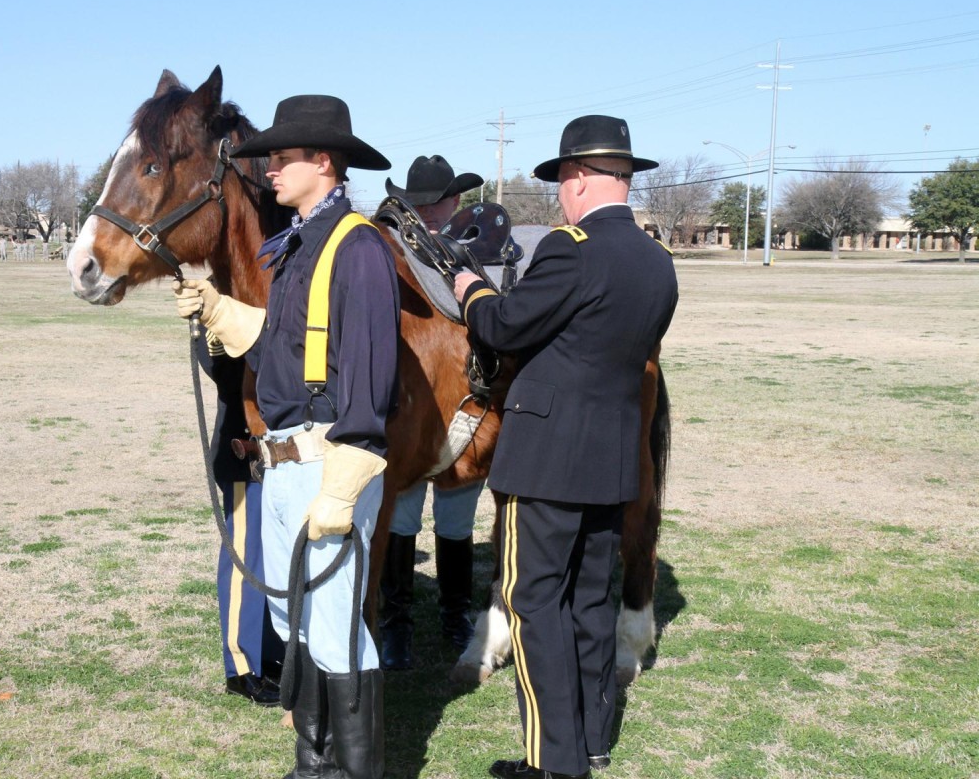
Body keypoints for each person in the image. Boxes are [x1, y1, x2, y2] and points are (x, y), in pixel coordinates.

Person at [176, 94, 397, 779]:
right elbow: (287, 344)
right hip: (284, 465)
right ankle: (315, 765)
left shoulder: (356, 246)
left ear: (322, 161)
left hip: (325, 463)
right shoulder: (301, 243)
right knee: (293, 624)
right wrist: (221, 311)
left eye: (281, 157)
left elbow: (367, 372)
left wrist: (345, 481)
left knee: (334, 629)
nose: (268, 169)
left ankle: (352, 772)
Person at [453, 115, 678, 779]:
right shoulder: (656, 261)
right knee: (587, 602)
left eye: (562, 180)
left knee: (533, 603)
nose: (560, 194)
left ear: (579, 179)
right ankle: (589, 742)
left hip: (548, 458)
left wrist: (472, 292)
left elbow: (504, 327)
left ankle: (554, 763)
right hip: (610, 457)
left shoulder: (570, 247)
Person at [380, 155, 486, 670]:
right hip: (411, 408)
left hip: (468, 409)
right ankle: (396, 619)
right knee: (402, 513)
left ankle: (453, 612)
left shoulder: (478, 254)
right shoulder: (389, 256)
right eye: (423, 202)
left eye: (437, 201)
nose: (432, 210)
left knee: (455, 517)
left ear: (455, 202)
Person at [195, 329, 285, 706]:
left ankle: (270, 654)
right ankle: (242, 666)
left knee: (275, 560)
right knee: (246, 561)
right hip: (245, 451)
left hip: (287, 450)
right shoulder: (219, 304)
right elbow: (223, 368)